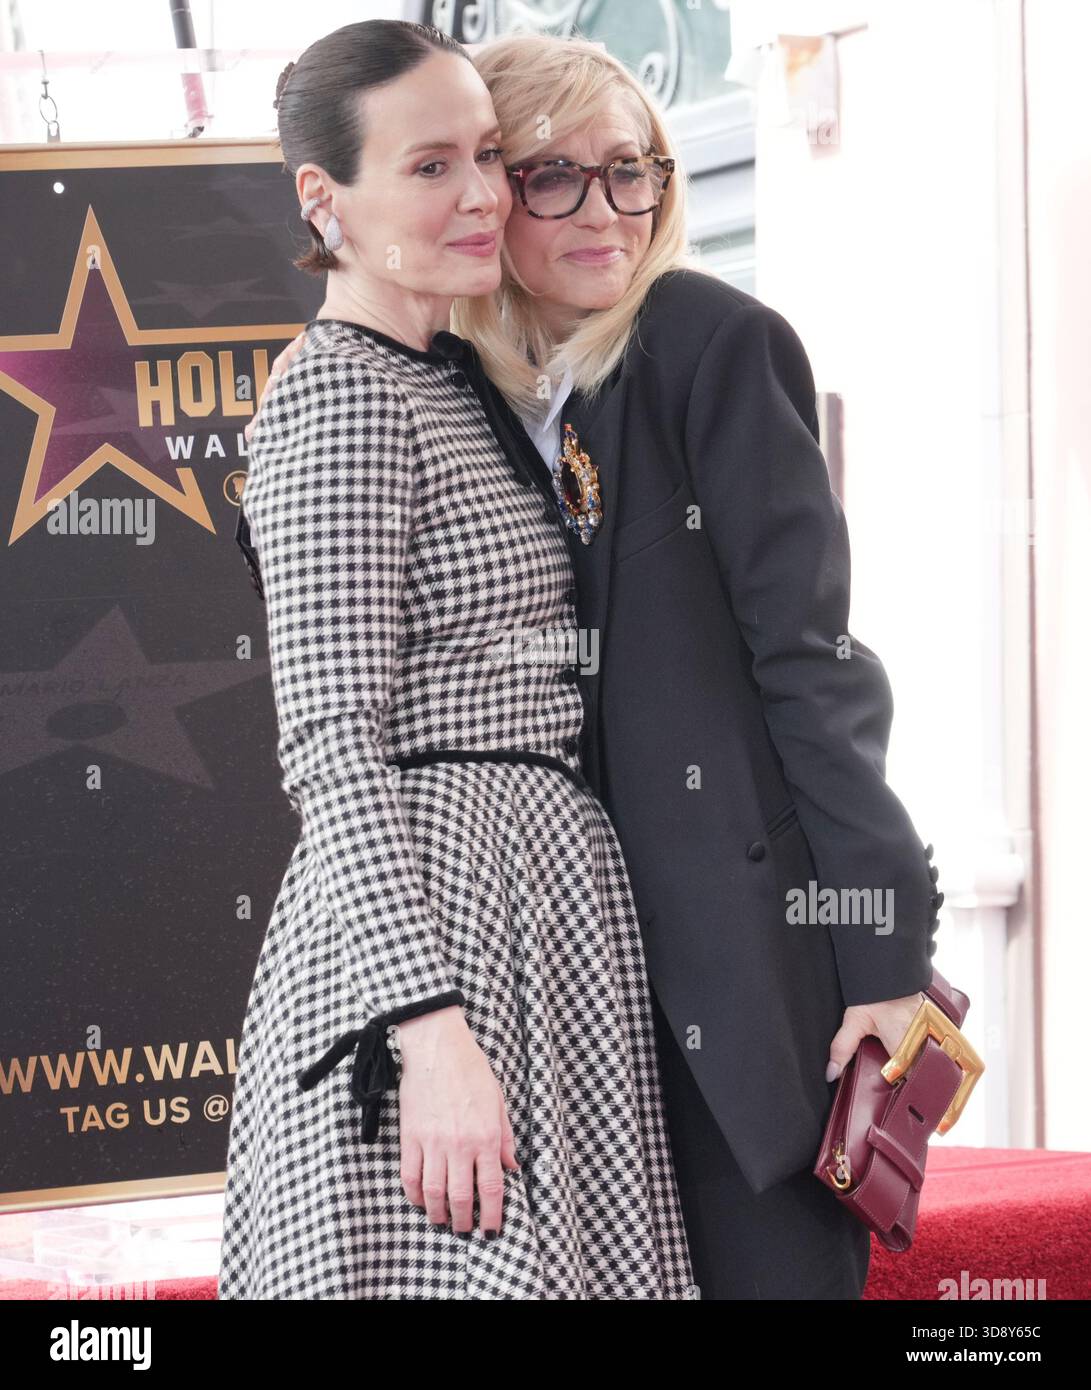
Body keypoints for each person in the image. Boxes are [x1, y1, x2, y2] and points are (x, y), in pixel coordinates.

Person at [248, 31, 944, 1300]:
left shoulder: (660, 350)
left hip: (659, 966)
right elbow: (330, 737)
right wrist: (427, 1030)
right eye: (544, 173)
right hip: (485, 944)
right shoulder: (380, 388)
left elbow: (815, 666)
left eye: (635, 173)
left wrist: (886, 951)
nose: (599, 209)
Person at [218, 20, 695, 1301]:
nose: (483, 193)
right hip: (430, 936)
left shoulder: (450, 380)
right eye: (429, 166)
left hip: (540, 911)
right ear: (326, 199)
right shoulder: (340, 401)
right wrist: (426, 1034)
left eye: (486, 154)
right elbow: (328, 743)